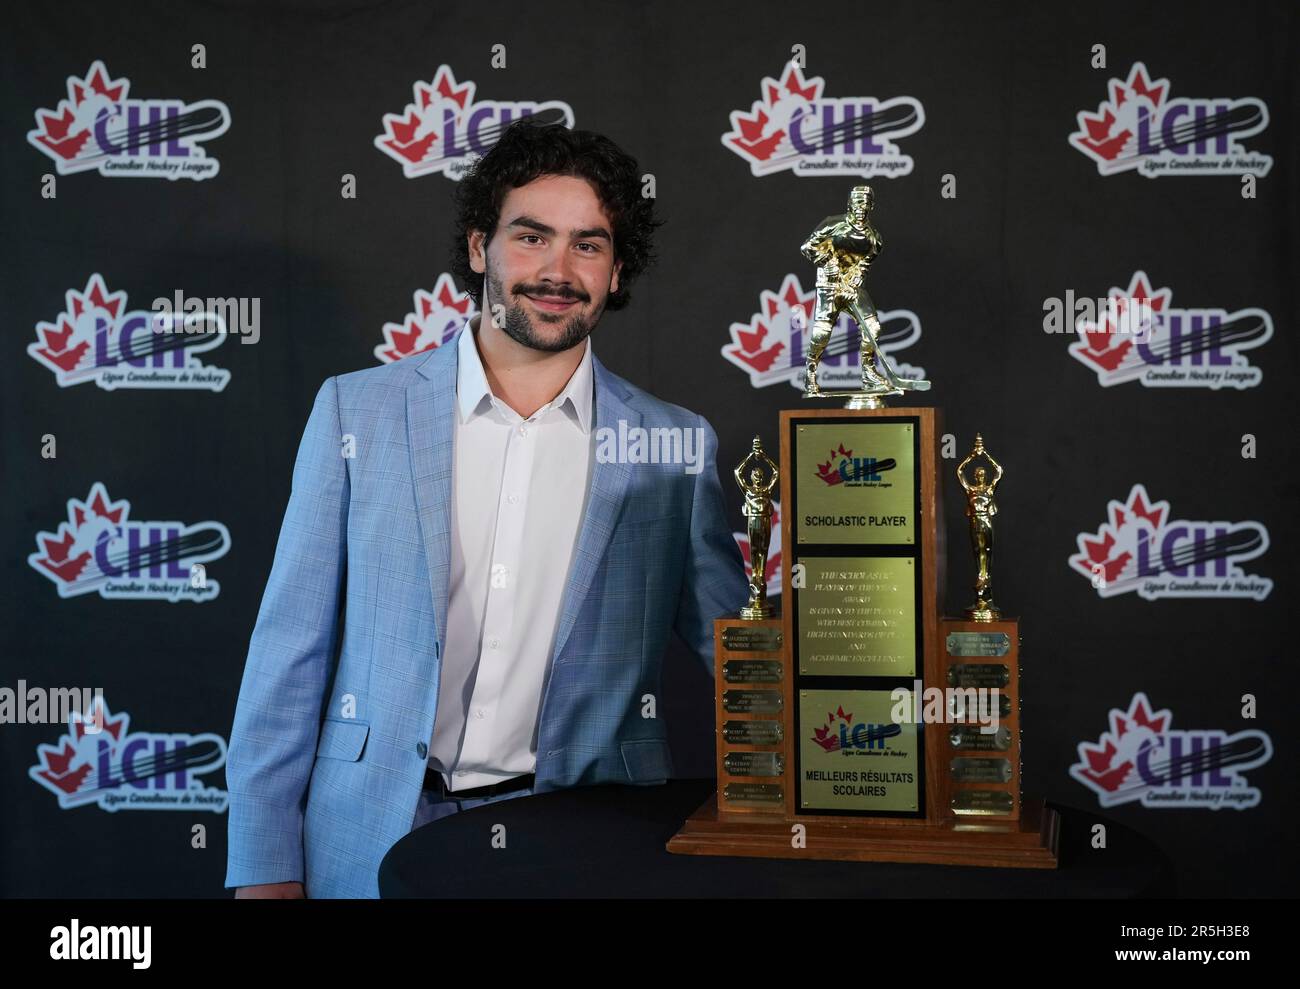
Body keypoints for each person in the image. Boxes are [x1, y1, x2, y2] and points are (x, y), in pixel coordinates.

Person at [224, 119, 749, 898]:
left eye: (589, 244)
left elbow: (739, 654)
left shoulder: (673, 444)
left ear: (616, 269)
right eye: (531, 237)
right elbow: (287, 656)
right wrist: (265, 865)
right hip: (372, 835)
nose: (558, 269)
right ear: (480, 249)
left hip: (588, 844)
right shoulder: (356, 414)